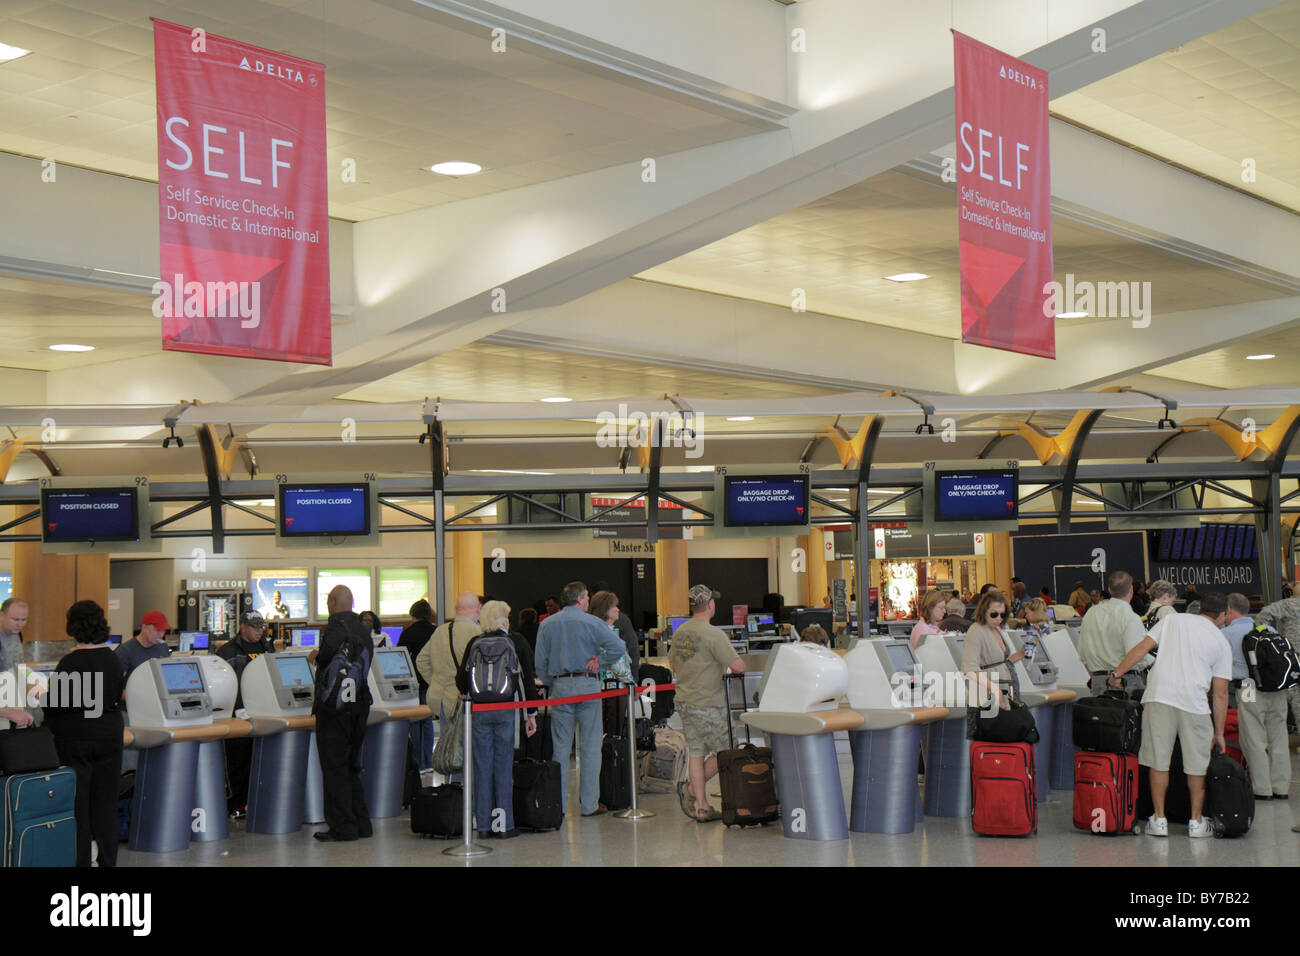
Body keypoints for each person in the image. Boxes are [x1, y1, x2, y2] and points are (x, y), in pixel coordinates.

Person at [1108, 592, 1232, 839]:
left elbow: (1143, 647)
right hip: (1194, 704)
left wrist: (1117, 674)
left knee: (1158, 760)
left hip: (1159, 697)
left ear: (1201, 608)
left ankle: (1159, 819)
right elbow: (1220, 693)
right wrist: (1219, 732)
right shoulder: (1221, 642)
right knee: (1197, 765)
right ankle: (1196, 822)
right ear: (1222, 615)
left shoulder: (1173, 620)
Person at [534, 581, 627, 817]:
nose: (588, 601)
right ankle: (589, 804)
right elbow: (618, 647)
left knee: (561, 748)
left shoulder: (547, 624)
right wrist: (601, 661)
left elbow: (540, 663)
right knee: (590, 747)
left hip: (560, 688)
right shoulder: (592, 622)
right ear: (580, 599)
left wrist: (551, 681)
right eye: (587, 597)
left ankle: (559, 806)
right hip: (588, 685)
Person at [44, 600, 124, 868]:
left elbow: (56, 705)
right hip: (109, 736)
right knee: (105, 804)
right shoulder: (113, 659)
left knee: (79, 807)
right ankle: (107, 860)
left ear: (73, 627)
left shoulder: (70, 662)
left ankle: (80, 861)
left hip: (75, 739)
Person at [455, 600, 538, 839]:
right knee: (503, 767)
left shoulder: (474, 643)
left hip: (479, 712)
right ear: (503, 621)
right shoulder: (516, 642)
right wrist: (530, 715)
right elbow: (527, 681)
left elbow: (461, 682)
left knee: (481, 766)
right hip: (506, 711)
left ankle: (482, 826)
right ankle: (504, 825)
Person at [668, 584, 745, 823]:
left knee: (697, 752)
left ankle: (702, 806)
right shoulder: (714, 634)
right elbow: (739, 667)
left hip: (685, 702)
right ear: (710, 605)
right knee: (727, 751)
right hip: (709, 703)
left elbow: (672, 664)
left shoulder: (680, 632)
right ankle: (692, 791)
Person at [309, 586, 373, 842]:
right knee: (352, 765)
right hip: (359, 705)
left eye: (327, 602)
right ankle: (361, 823)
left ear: (333, 603)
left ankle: (343, 827)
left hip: (334, 709)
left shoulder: (335, 626)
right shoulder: (363, 629)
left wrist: (316, 656)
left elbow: (326, 657)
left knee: (334, 767)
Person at [1223, 593, 1288, 799]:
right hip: (1278, 690)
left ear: (1230, 610)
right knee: (1278, 737)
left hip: (1250, 688)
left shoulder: (1227, 633)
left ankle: (1262, 789)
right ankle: (1281, 787)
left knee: (1254, 738)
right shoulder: (1268, 629)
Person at [216, 610, 275, 815]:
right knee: (238, 764)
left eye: (262, 627)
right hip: (239, 717)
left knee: (259, 762)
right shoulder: (227, 652)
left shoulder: (267, 648)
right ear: (243, 627)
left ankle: (254, 801)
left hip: (264, 712)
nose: (260, 631)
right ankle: (236, 805)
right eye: (255, 627)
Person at [415, 592, 483, 768]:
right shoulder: (476, 632)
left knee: (449, 753)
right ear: (478, 609)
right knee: (465, 755)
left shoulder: (440, 630)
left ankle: (450, 791)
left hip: (441, 700)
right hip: (463, 702)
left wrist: (436, 681)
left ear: (456, 609)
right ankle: (464, 793)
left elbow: (421, 661)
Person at [1078, 571, 1153, 695]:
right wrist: (1155, 661)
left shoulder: (1091, 613)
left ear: (1109, 589)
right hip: (1124, 682)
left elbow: (1083, 653)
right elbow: (1136, 654)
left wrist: (1096, 678)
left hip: (1098, 681)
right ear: (1131, 589)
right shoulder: (1130, 617)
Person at [962, 591, 1026, 715]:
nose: (998, 618)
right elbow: (969, 668)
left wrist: (1020, 654)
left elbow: (999, 662)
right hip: (985, 697)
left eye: (1002, 615)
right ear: (984, 611)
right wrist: (995, 690)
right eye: (994, 614)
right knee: (990, 733)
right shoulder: (976, 630)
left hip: (1003, 693)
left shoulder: (997, 629)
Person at [1255, 588, 1300, 758]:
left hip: (1293, 658)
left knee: (1295, 698)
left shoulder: (1288, 604)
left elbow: (1263, 615)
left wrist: (1266, 634)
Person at [397, 600, 436, 772]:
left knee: (415, 722)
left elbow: (400, 656)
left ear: (413, 614)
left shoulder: (408, 632)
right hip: (431, 681)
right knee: (427, 721)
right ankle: (428, 760)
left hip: (413, 682)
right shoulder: (435, 631)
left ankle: (417, 762)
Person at [592, 581, 640, 676]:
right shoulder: (622, 621)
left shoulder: (589, 624)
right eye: (614, 606)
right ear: (605, 607)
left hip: (600, 680)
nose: (617, 609)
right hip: (613, 680)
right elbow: (632, 649)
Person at [0, 598, 34, 727]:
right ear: (1, 615)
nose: (20, 624)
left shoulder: (17, 635)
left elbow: (19, 664)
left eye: (23, 620)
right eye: (15, 619)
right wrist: (8, 712)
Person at [116, 609, 171, 682]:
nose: (161, 635)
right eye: (157, 630)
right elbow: (117, 684)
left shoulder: (163, 646)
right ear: (144, 627)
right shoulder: (125, 651)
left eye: (163, 631)